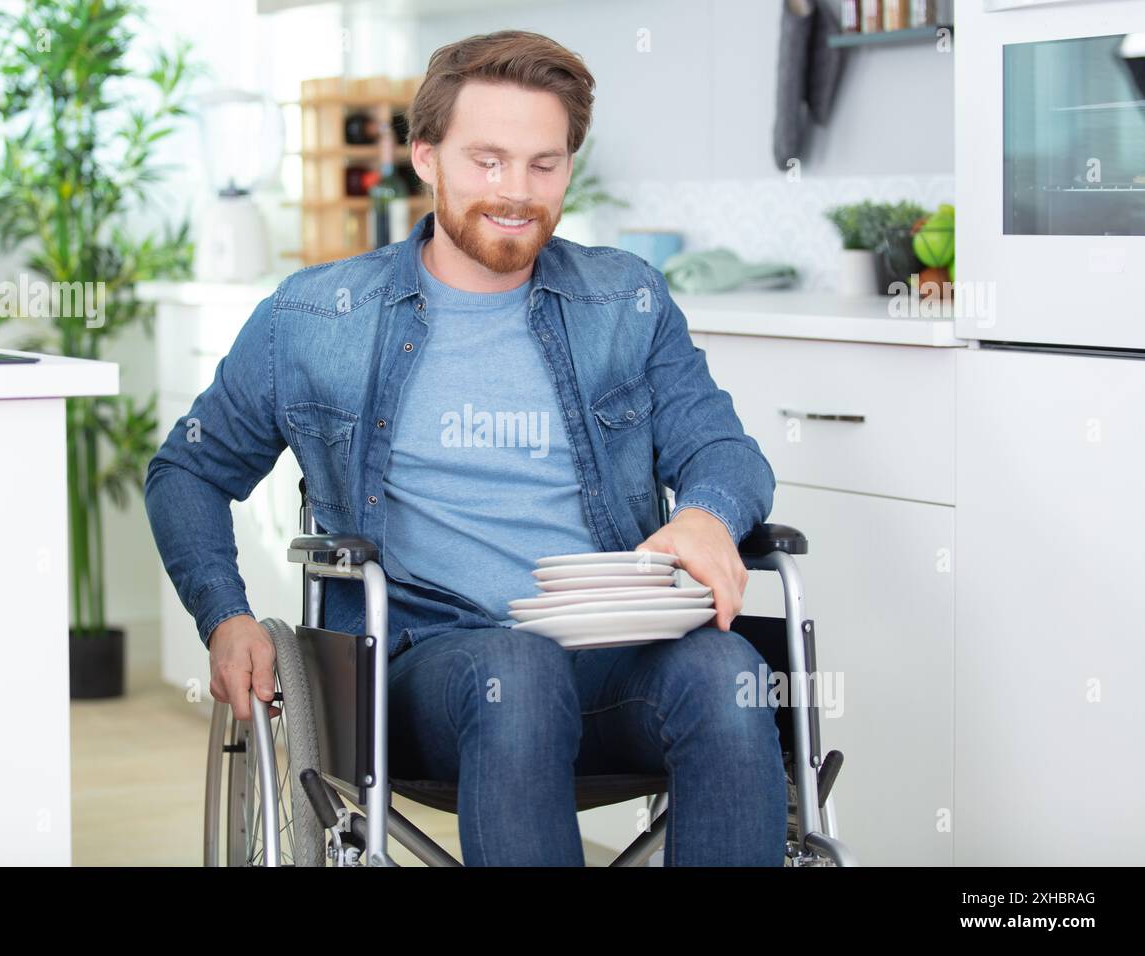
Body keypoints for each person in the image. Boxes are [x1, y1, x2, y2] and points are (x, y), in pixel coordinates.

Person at [145, 29, 785, 866]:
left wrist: (706, 516)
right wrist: (225, 618)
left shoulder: (625, 300)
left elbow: (726, 450)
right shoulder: (312, 318)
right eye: (487, 160)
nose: (516, 191)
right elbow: (187, 468)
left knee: (726, 674)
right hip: (422, 664)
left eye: (543, 163)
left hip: (610, 657)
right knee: (516, 673)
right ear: (425, 156)